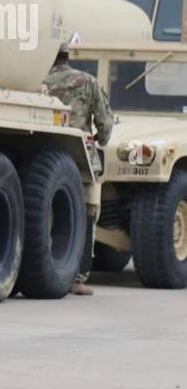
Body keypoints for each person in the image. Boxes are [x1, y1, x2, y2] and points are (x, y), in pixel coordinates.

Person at [43, 38, 114, 296]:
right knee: (85, 215)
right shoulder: (87, 81)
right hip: (80, 157)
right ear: (67, 55)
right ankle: (77, 277)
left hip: (42, 157)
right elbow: (105, 123)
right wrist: (100, 140)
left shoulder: (37, 80)